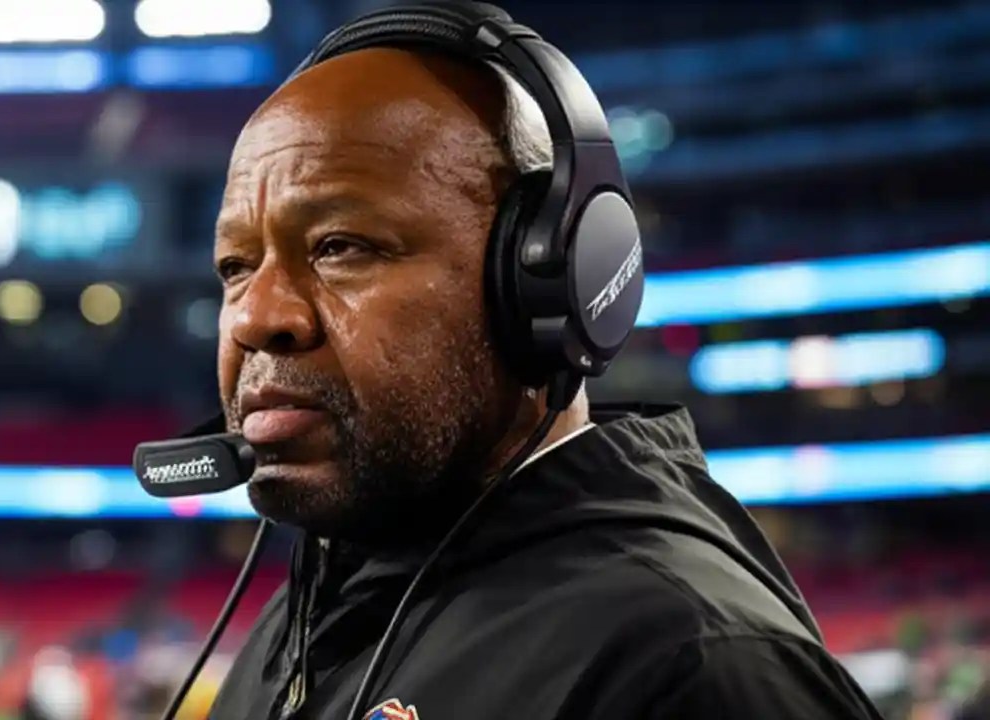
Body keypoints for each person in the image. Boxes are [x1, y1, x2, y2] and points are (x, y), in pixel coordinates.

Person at [204, 3, 884, 719]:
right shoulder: (301, 623)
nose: (256, 315)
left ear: (543, 278)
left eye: (340, 246)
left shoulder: (689, 668)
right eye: (235, 265)